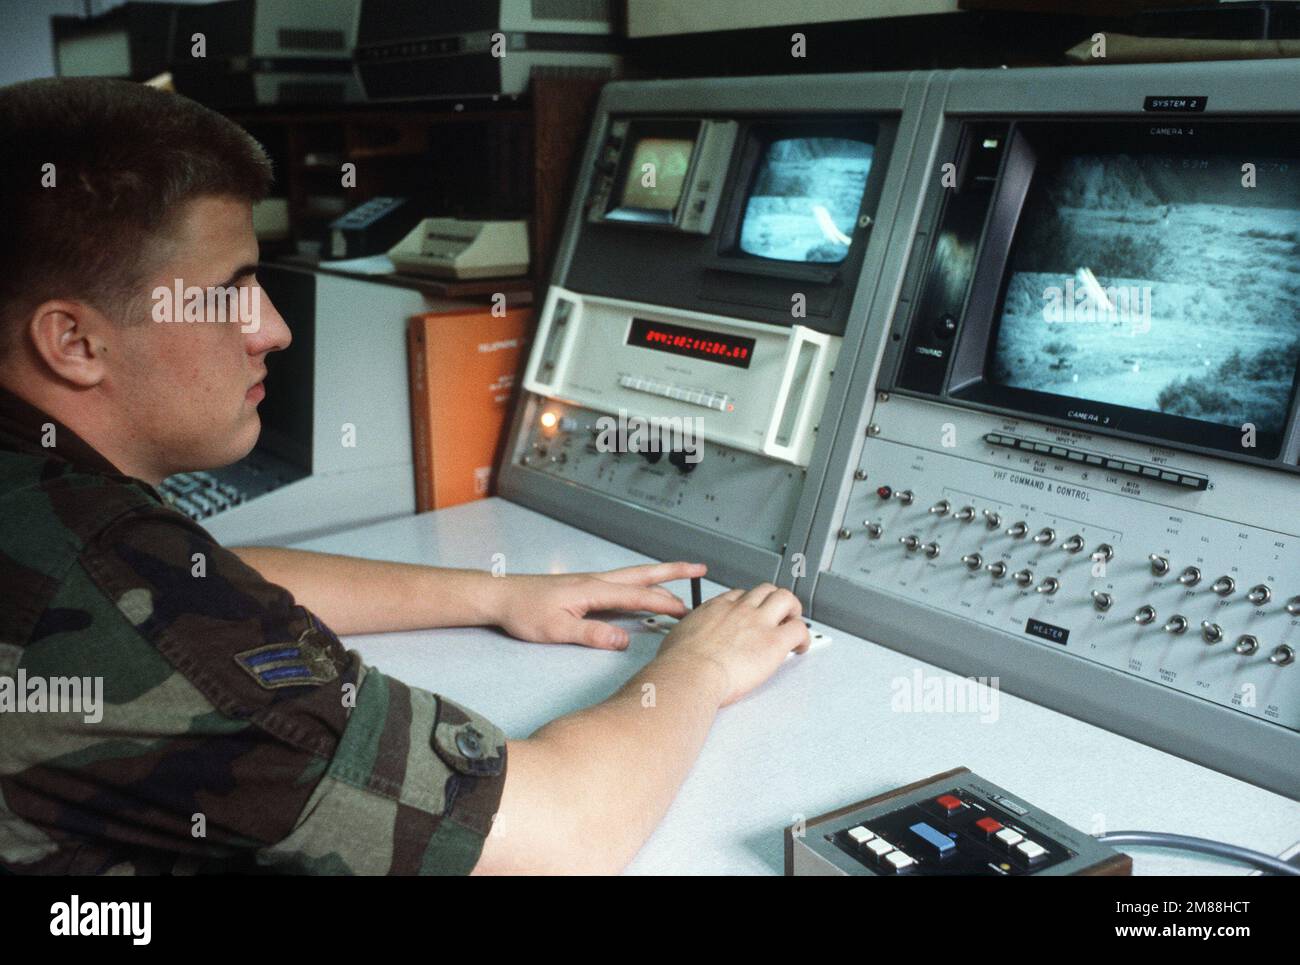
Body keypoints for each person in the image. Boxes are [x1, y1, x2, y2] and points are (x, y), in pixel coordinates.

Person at [0, 77, 808, 875]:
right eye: (227, 294)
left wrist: (497, 593)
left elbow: (198, 575)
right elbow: (562, 831)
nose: (273, 329)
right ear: (73, 342)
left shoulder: (45, 501)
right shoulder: (107, 592)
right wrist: (701, 665)